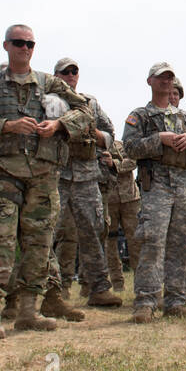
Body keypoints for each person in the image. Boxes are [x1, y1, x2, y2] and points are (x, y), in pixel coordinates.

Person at [0, 25, 91, 337]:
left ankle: (29, 311)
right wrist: (7, 126)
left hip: (43, 176)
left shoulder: (50, 83)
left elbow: (84, 111)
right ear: (6, 45)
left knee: (40, 244)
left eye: (30, 43)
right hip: (3, 175)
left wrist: (59, 124)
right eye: (18, 43)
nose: (25, 48)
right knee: (0, 243)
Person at [121, 62, 186, 322]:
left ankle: (176, 300)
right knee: (152, 242)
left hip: (184, 187)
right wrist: (160, 139)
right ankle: (146, 300)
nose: (166, 82)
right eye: (161, 78)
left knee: (181, 244)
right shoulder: (141, 116)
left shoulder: (184, 118)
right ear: (150, 82)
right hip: (156, 185)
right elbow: (130, 148)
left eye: (169, 78)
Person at [44, 57, 121, 312]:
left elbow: (110, 136)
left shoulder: (90, 103)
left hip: (87, 176)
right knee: (48, 233)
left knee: (93, 232)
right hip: (56, 174)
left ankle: (99, 289)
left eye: (74, 72)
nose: (70, 76)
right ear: (55, 76)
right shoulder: (46, 101)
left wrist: (96, 136)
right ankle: (47, 290)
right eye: (64, 72)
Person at [101, 140, 140, 291]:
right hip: (108, 199)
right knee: (110, 243)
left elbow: (133, 162)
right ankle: (117, 283)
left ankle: (141, 282)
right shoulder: (95, 149)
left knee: (136, 240)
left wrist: (114, 164)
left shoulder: (122, 145)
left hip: (130, 199)